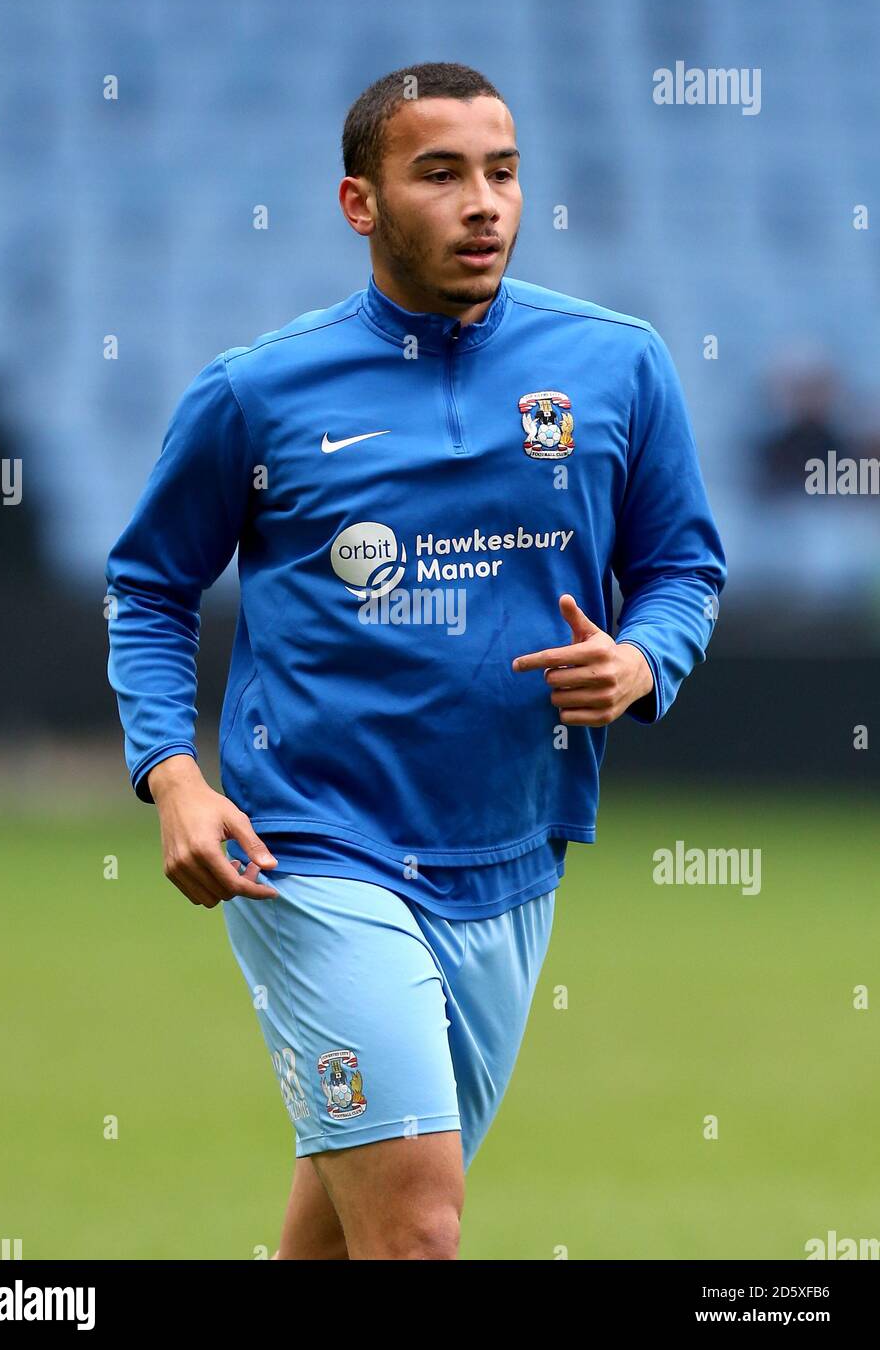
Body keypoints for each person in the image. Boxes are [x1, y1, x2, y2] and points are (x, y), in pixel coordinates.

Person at [104, 61, 727, 1260]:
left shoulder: (619, 365)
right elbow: (150, 584)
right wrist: (171, 774)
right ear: (360, 204)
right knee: (419, 1231)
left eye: (501, 172)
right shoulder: (256, 390)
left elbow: (682, 569)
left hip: (515, 848)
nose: (483, 202)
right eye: (440, 174)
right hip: (314, 845)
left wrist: (643, 663)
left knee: (344, 1239)